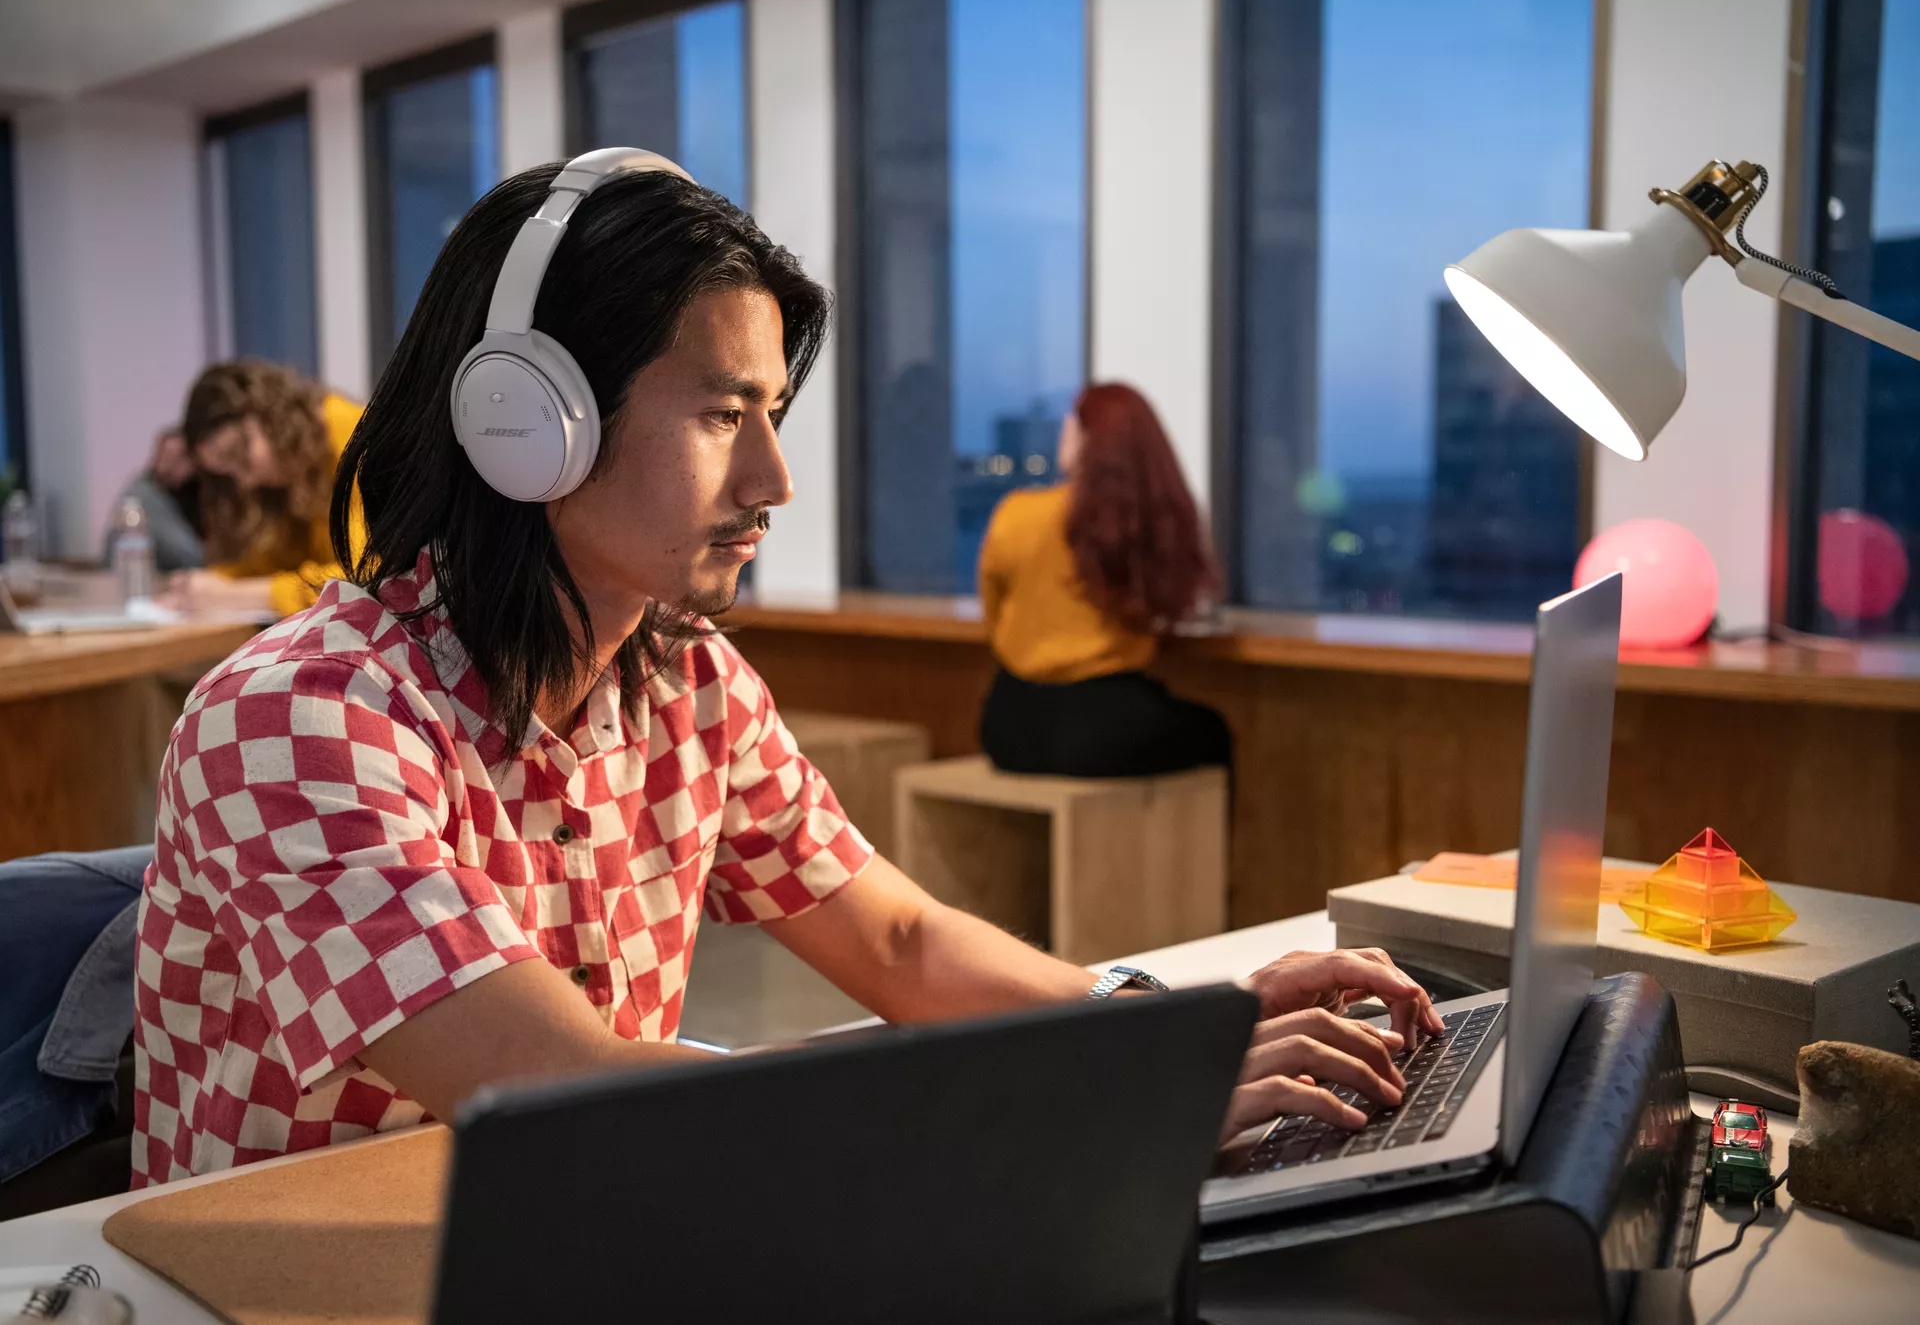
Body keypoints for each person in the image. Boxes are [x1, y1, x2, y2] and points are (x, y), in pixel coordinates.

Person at [131, 153, 1439, 1190]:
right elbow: (557, 1092)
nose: (774, 482)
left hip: (574, 1238)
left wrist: (1172, 1027)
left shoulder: (684, 679)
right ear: (526, 420)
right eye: (718, 417)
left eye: (774, 416)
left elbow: (899, 936)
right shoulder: (296, 721)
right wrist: (1127, 1101)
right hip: (288, 1282)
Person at [977, 383, 1232, 777]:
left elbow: (993, 618)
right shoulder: (1148, 525)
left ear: (1084, 442)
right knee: (1214, 732)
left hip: (1009, 725)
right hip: (1105, 728)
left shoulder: (1016, 515)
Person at [161, 360, 365, 617]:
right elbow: (280, 560)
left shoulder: (344, 430)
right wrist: (213, 581)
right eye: (230, 475)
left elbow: (366, 581)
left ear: (270, 412)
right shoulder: (296, 477)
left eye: (241, 453)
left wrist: (234, 596)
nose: (248, 481)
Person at [101, 429, 204, 573]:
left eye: (180, 459)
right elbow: (191, 555)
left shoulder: (179, 493)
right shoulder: (143, 496)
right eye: (168, 458)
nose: (170, 467)